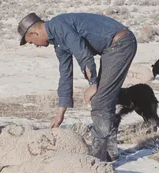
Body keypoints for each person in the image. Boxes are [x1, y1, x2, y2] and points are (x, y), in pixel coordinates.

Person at [17, 13, 137, 162]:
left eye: (31, 42)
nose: (35, 45)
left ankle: (97, 160)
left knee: (100, 99)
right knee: (105, 97)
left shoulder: (58, 25)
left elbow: (83, 53)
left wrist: (93, 83)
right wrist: (60, 113)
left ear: (34, 33)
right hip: (111, 49)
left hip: (120, 44)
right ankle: (110, 153)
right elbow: (65, 75)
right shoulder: (58, 42)